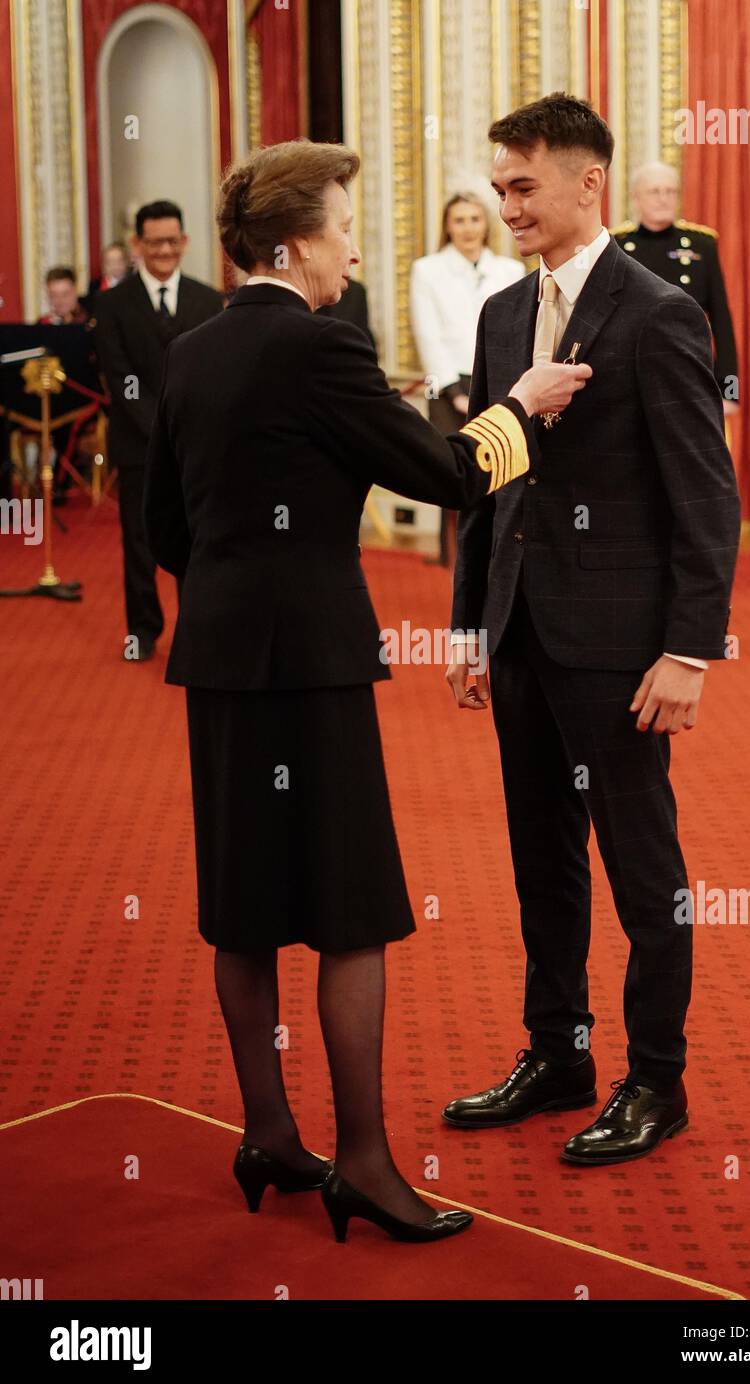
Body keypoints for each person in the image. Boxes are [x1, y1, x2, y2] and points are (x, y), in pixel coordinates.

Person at [142, 138, 589, 1243]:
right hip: (313, 664)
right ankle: (363, 1162)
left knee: (241, 912)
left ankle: (266, 1133)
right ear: (293, 241)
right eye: (344, 224)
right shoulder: (318, 343)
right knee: (351, 914)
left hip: (219, 659)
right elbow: (445, 470)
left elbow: (161, 529)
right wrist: (522, 406)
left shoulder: (192, 351)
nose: (354, 245)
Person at [444, 94, 741, 1164]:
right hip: (520, 634)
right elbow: (487, 486)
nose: (505, 204)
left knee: (639, 868)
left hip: (620, 649)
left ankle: (655, 1079)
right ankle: (558, 1052)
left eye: (523, 186)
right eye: (499, 185)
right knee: (541, 862)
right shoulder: (495, 316)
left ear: (587, 185)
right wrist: (470, 626)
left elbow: (705, 496)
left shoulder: (658, 311)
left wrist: (686, 648)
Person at [92, 201, 223, 661]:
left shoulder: (209, 301)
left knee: (196, 538)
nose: (164, 250)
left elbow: (210, 376)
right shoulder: (111, 305)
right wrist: (161, 431)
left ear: (184, 242)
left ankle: (196, 631)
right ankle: (142, 630)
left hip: (196, 448)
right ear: (137, 244)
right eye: (154, 242)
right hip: (136, 445)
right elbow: (120, 378)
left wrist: (188, 435)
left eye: (172, 241)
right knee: (140, 539)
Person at [410, 192, 524, 565]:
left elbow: (515, 331)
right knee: (454, 472)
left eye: (474, 219)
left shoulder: (511, 270)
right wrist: (455, 391)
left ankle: (499, 553)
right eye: (459, 220)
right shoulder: (427, 270)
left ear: (486, 224)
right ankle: (453, 557)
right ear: (447, 226)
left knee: (500, 472)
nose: (468, 228)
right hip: (448, 387)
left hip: (500, 385)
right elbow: (427, 333)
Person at [612, 161, 739, 412]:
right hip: (634, 375)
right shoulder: (616, 246)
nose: (663, 199)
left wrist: (730, 392)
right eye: (655, 191)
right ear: (636, 198)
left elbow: (722, 322)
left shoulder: (702, 245)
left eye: (670, 191)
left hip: (690, 372)